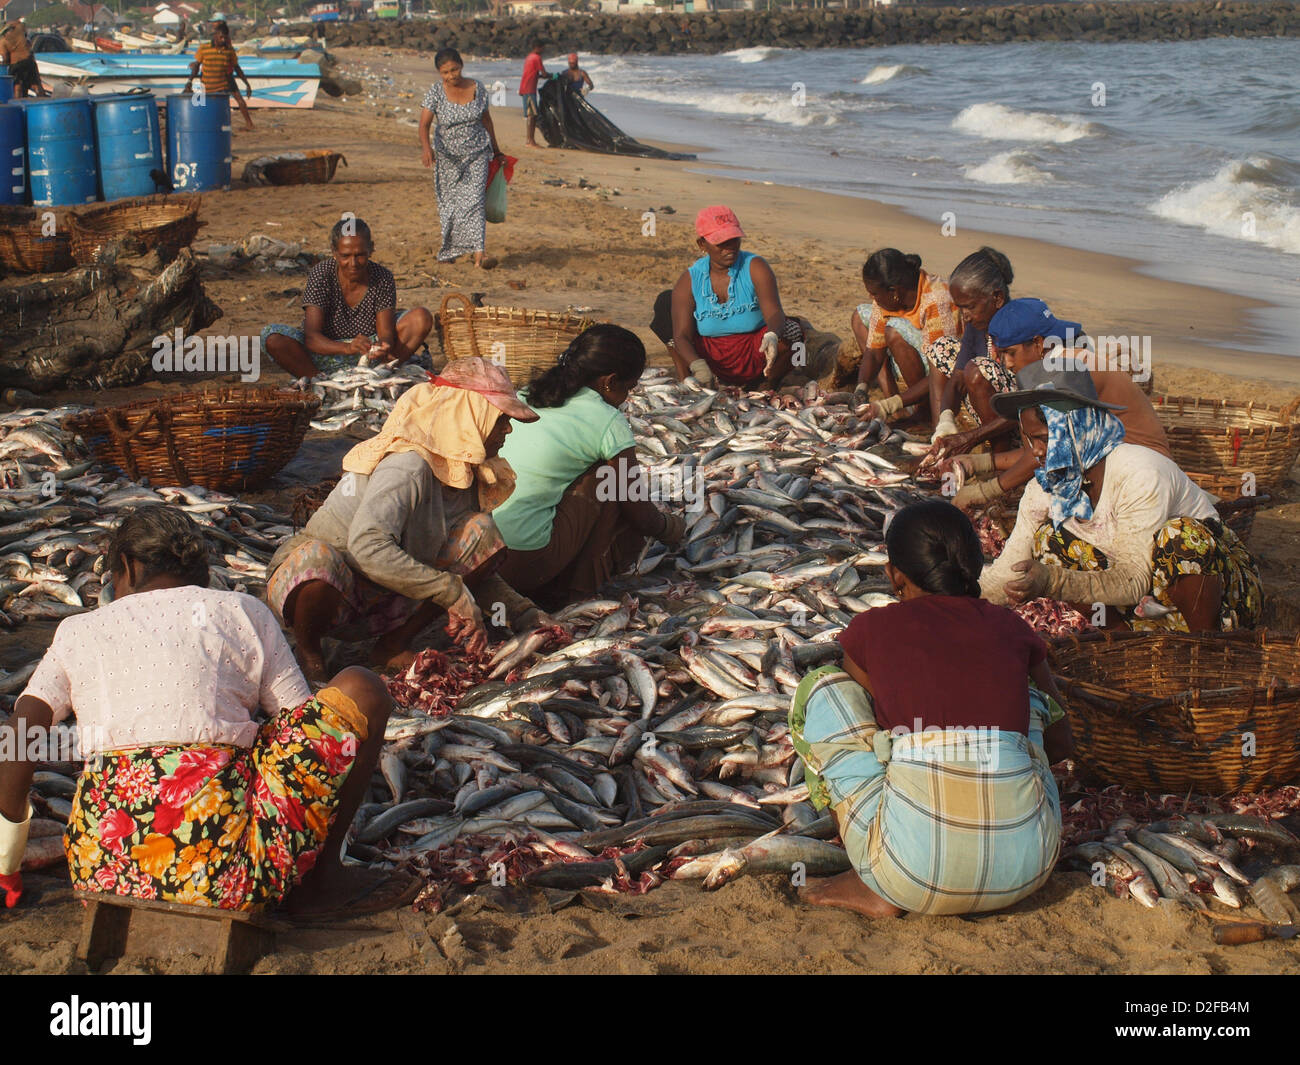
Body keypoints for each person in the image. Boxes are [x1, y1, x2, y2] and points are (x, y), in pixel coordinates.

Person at [0, 506, 408, 916]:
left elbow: (24, 728)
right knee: (361, 688)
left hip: (103, 872)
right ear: (204, 573)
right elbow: (300, 722)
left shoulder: (78, 630)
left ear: (125, 565)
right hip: (229, 880)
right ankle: (323, 879)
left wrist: (6, 864)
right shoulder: (242, 610)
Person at [792, 500, 1071, 918]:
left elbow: (872, 726)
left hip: (910, 873)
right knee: (1032, 698)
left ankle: (874, 883)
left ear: (894, 575)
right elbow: (1062, 742)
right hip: (1030, 869)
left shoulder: (873, 629)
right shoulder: (1012, 628)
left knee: (824, 688)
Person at [265, 358, 554, 684]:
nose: (507, 429)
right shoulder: (408, 466)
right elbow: (367, 547)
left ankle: (391, 646)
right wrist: (449, 590)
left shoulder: (463, 470)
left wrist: (522, 612)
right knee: (319, 559)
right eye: (501, 419)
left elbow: (472, 562)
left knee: (481, 534)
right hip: (332, 588)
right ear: (470, 416)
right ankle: (309, 650)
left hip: (387, 594)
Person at [980, 366, 1262, 632]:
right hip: (1146, 609)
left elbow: (1134, 578)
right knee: (1048, 541)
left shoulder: (1139, 471)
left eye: (1044, 439)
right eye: (1031, 441)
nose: (1036, 452)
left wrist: (1052, 580)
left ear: (1077, 428)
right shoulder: (1043, 489)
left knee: (1180, 535)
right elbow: (1008, 570)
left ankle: (1207, 647)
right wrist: (956, 597)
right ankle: (1125, 641)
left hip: (1226, 602)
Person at [494, 325, 687, 608]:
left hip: (479, 560)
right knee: (607, 479)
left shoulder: (526, 395)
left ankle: (555, 579)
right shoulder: (606, 419)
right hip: (522, 564)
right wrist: (671, 527)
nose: (628, 397)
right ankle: (574, 593)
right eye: (629, 388)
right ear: (609, 382)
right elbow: (638, 510)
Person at [945, 299, 1171, 512]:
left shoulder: (1068, 371)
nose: (1008, 363)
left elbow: (1048, 455)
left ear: (1037, 343)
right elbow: (1036, 452)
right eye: (1003, 354)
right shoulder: (1053, 363)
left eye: (1011, 353)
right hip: (1110, 463)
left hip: (1143, 470)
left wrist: (987, 490)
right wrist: (979, 463)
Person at [650, 206, 838, 392]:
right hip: (710, 353)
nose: (729, 248)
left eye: (733, 240)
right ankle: (689, 379)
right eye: (720, 243)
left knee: (794, 331)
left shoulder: (755, 267)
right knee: (666, 307)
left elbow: (774, 312)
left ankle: (766, 383)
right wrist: (698, 365)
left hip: (754, 349)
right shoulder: (690, 279)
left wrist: (772, 335)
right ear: (702, 244)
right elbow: (682, 335)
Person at [262, 216, 434, 379]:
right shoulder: (321, 274)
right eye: (345, 256)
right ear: (334, 252)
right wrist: (347, 348)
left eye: (360, 255)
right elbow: (312, 337)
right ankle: (318, 381)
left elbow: (386, 331)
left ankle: (382, 373)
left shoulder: (382, 276)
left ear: (371, 249)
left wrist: (384, 344)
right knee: (272, 337)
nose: (353, 263)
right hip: (326, 354)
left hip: (370, 355)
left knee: (421, 318)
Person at [849, 249, 958, 423]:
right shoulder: (887, 300)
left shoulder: (936, 299)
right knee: (860, 315)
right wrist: (861, 388)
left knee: (894, 331)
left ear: (894, 291)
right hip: (913, 355)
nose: (872, 297)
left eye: (875, 293)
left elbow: (942, 367)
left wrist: (890, 405)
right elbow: (874, 351)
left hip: (944, 369)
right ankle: (893, 402)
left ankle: (923, 411)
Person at [419, 47, 503, 269]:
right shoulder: (436, 92)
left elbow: (487, 120)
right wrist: (426, 148)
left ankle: (479, 255)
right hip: (447, 157)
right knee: (450, 204)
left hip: (477, 153)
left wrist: (496, 149)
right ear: (440, 73)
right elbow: (424, 124)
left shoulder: (478, 88)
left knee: (475, 200)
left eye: (454, 70)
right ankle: (451, 249)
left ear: (461, 65)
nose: (451, 76)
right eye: (445, 72)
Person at [923, 247, 1018, 441]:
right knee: (941, 347)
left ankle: (998, 452)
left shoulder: (1018, 327)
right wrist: (946, 419)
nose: (964, 315)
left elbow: (1026, 404)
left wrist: (971, 439)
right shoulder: (976, 326)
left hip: (1016, 420)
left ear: (997, 298)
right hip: (989, 412)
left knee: (978, 370)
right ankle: (940, 434)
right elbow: (957, 379)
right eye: (960, 307)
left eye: (970, 307)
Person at [183, 20, 255, 132]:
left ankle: (248, 124)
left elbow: (237, 67)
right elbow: (197, 65)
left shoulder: (229, 50)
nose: (223, 40)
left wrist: (247, 84)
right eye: (221, 37)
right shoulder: (204, 48)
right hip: (206, 83)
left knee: (236, 102)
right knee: (199, 106)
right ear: (215, 36)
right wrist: (189, 81)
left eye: (225, 38)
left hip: (224, 82)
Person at [1, 22, 47, 98]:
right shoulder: (21, 35)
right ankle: (43, 101)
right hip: (30, 61)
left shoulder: (3, 41)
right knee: (36, 84)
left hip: (17, 64)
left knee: (17, 86)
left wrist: (5, 64)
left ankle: (18, 105)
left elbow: (5, 58)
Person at [518, 40, 548, 148]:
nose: (544, 50)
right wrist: (553, 76)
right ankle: (530, 141)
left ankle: (530, 140)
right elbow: (543, 73)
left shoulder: (529, 57)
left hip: (526, 87)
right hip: (529, 89)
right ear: (538, 48)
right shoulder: (536, 58)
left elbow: (533, 73)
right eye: (543, 48)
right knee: (532, 115)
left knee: (532, 115)